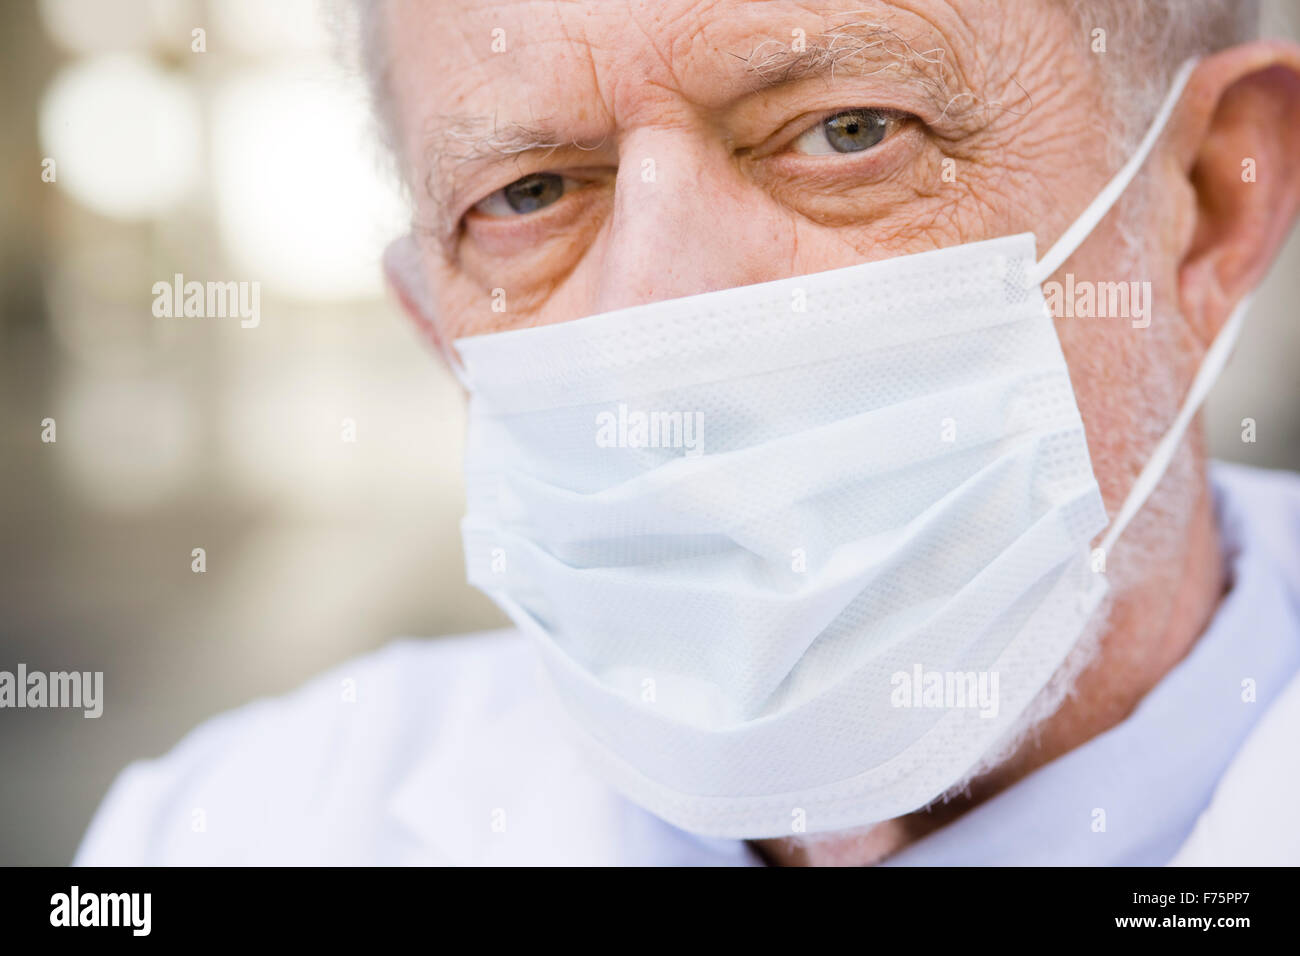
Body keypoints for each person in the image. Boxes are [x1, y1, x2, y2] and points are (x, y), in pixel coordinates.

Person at [76, 0, 1300, 866]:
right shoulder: (228, 830)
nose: (654, 313)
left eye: (846, 131)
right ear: (439, 334)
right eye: (529, 194)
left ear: (1204, 203)